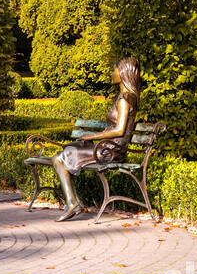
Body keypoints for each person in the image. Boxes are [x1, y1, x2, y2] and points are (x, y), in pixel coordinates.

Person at [51, 57, 141, 221]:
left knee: (58, 158)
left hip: (109, 151)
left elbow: (119, 130)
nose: (112, 73)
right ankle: (72, 202)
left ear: (123, 73)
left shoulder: (124, 99)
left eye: (114, 70)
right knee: (68, 149)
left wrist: (92, 136)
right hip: (110, 148)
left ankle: (72, 203)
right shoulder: (129, 96)